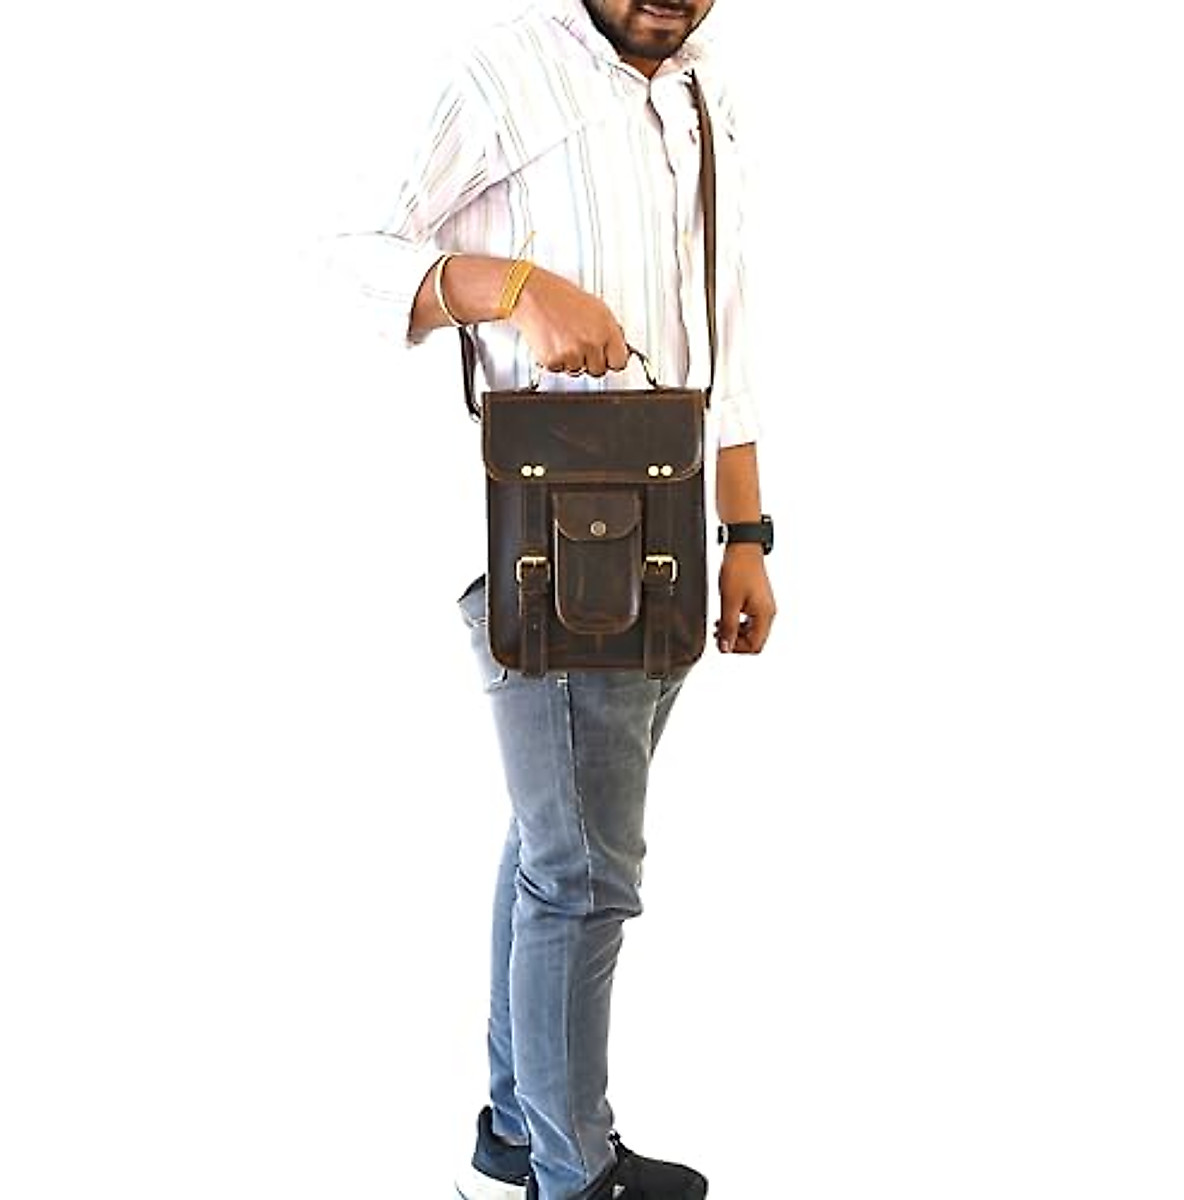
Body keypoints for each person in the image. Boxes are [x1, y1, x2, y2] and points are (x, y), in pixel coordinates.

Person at [334, 2, 776, 1196]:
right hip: (548, 543)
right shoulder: (498, 74)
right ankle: (574, 1176)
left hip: (668, 534)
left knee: (555, 848)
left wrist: (746, 532)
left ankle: (518, 1131)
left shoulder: (702, 93)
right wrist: (511, 286)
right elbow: (348, 253)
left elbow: (722, 337)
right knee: (582, 877)